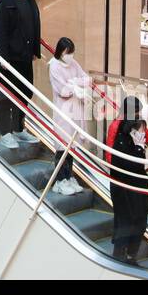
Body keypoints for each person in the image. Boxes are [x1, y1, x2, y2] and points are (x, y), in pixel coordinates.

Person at [107, 96, 148, 264]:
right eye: (138, 111)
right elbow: (111, 151)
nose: (140, 114)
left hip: (134, 179)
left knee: (136, 216)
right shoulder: (118, 127)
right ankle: (121, 253)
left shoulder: (138, 125)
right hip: (122, 179)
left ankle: (130, 253)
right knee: (126, 217)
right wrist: (114, 170)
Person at [0, 0, 41, 150]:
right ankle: (5, 133)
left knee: (25, 93)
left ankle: (18, 128)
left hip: (26, 56)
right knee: (6, 95)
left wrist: (35, 50)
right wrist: (2, 59)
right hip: (9, 59)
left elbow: (35, 23)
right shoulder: (4, 2)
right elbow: (0, 33)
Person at [47, 37, 90, 195]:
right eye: (67, 53)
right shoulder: (54, 66)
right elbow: (62, 90)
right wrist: (75, 84)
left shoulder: (73, 64)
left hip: (75, 111)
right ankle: (60, 180)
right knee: (62, 145)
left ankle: (69, 176)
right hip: (63, 111)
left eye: (71, 53)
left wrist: (73, 83)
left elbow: (87, 79)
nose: (70, 56)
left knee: (71, 146)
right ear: (60, 52)